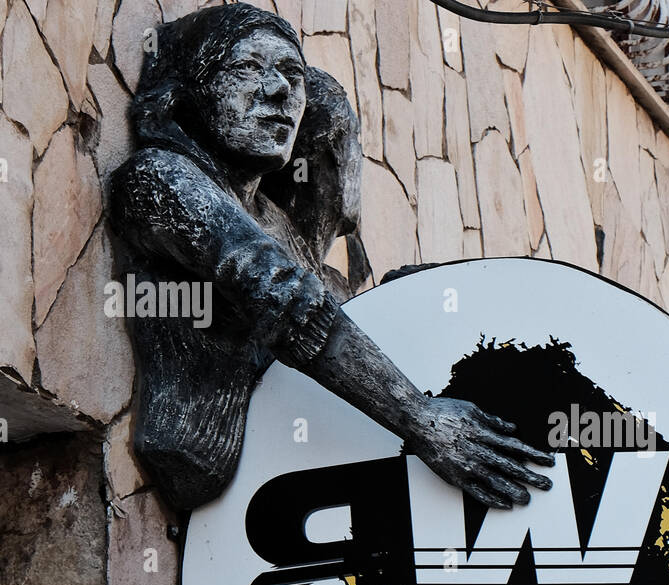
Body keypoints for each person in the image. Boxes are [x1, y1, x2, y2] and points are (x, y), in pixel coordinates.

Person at [109, 4, 550, 512]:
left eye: (290, 73)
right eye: (246, 69)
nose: (279, 91)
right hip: (207, 455)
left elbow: (316, 297)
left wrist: (412, 299)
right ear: (189, 95)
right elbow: (284, 295)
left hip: (283, 468)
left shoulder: (273, 218)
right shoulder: (158, 181)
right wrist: (418, 418)